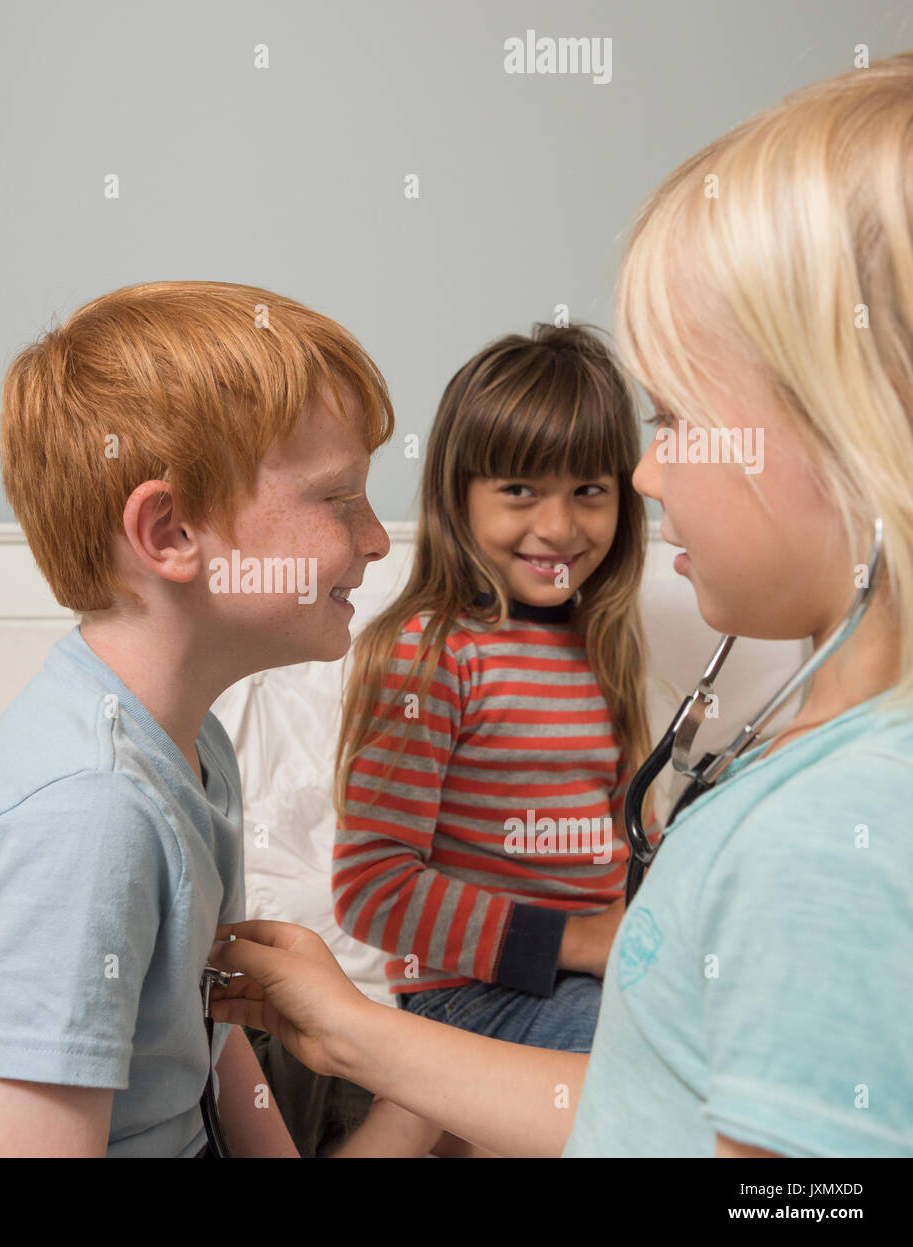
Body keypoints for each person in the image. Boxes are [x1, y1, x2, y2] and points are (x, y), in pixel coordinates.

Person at [207, 53, 913, 1158]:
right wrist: (356, 1031)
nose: (643, 480)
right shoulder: (819, 767)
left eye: (674, 420)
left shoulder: (832, 831)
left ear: (843, 429)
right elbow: (658, 1111)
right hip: (482, 1002)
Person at [0, 279, 397, 1156]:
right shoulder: (88, 816)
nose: (375, 538)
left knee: (440, 1100)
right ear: (171, 530)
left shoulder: (189, 742)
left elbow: (207, 1034)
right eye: (338, 498)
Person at [329, 324, 659, 1159]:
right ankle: (425, 1115)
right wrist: (580, 940)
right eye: (520, 489)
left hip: (591, 976)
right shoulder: (430, 652)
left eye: (590, 490)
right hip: (467, 997)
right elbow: (373, 888)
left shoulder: (605, 641)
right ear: (459, 494)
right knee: (645, 1087)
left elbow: (616, 839)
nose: (559, 526)